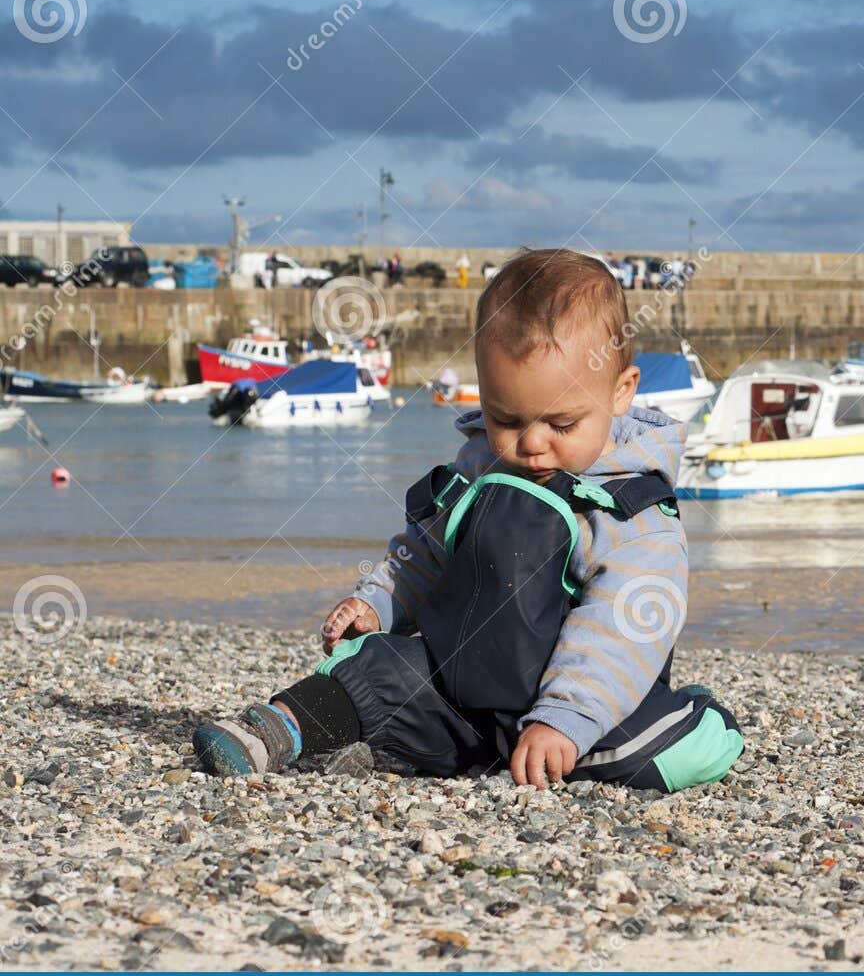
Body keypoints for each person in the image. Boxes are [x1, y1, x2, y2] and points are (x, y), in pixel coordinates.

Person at [193, 248, 743, 792]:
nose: (531, 443)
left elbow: (624, 626)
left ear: (620, 393)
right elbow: (427, 549)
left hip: (580, 695)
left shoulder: (631, 506)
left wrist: (563, 719)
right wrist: (379, 599)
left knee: (655, 755)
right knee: (376, 669)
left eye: (562, 423)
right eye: (507, 418)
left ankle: (696, 716)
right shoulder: (482, 465)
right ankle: (279, 728)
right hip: (461, 684)